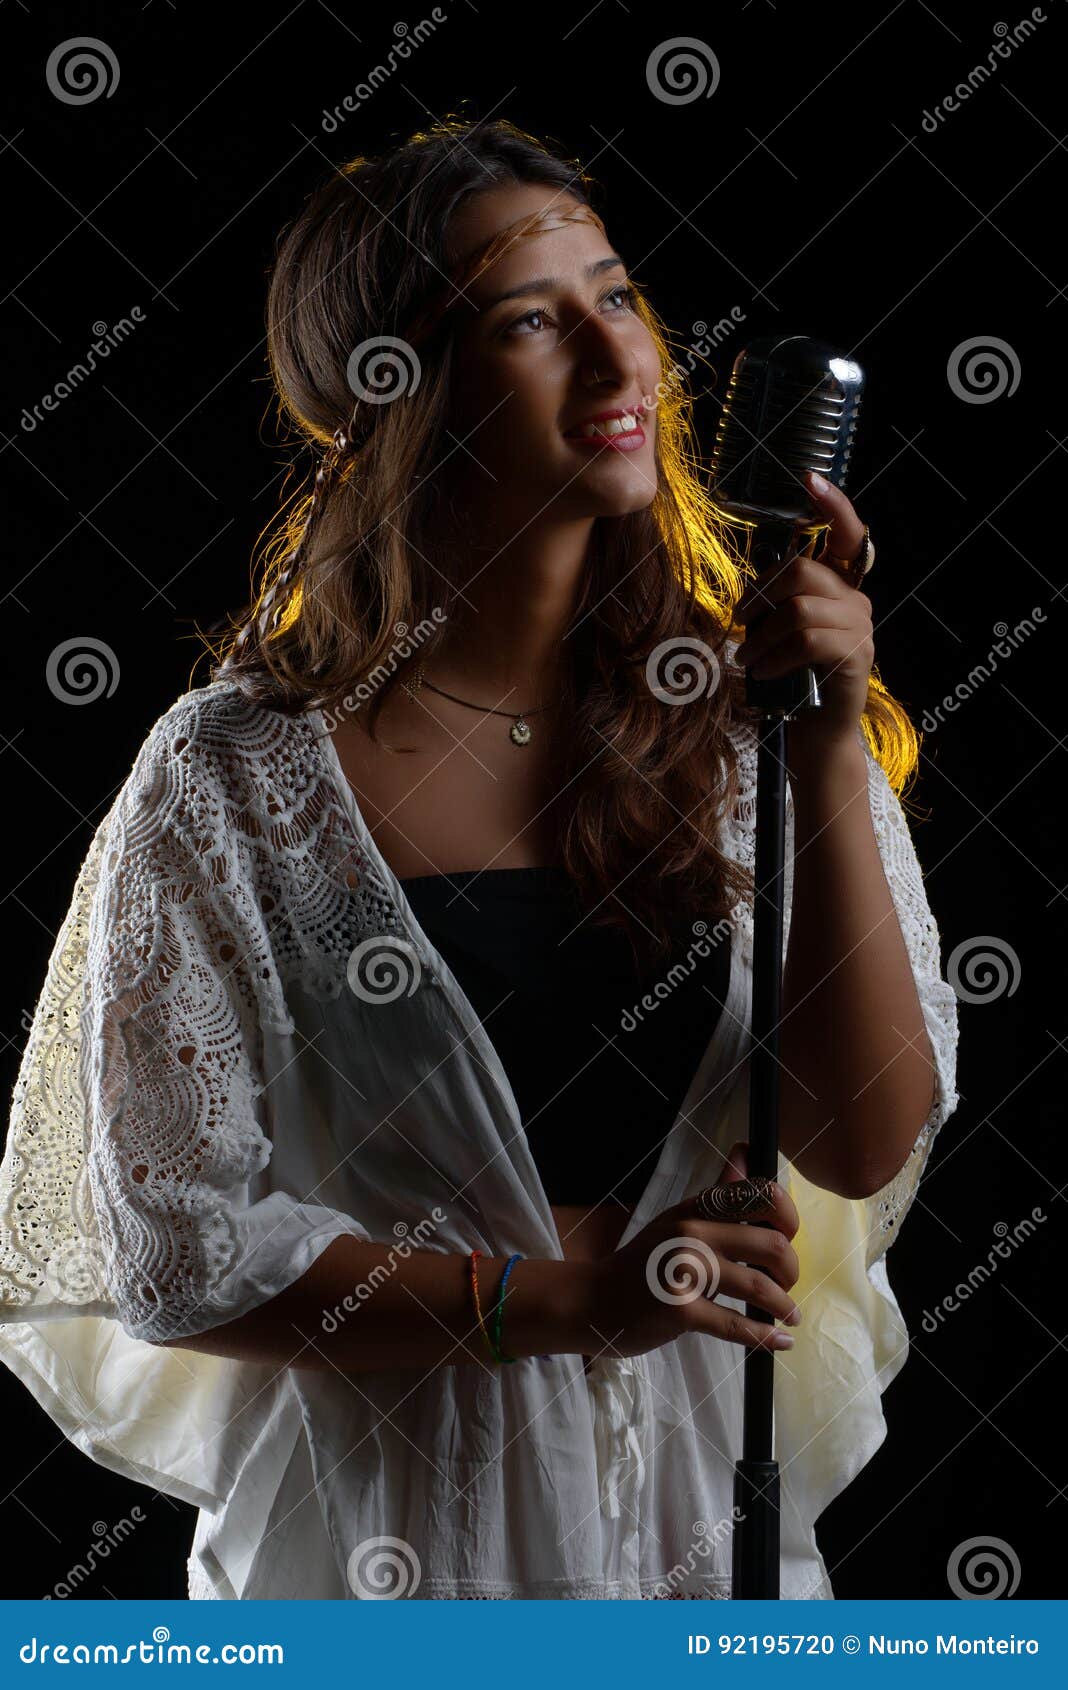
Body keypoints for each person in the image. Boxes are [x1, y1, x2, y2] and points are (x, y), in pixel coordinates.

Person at [0, 116, 959, 1601]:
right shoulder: (236, 777)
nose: (620, 357)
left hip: (697, 1533)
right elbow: (179, 1251)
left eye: (617, 298)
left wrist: (830, 751)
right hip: (374, 1551)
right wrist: (572, 1302)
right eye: (530, 321)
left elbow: (860, 1140)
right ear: (397, 393)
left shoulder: (749, 734)